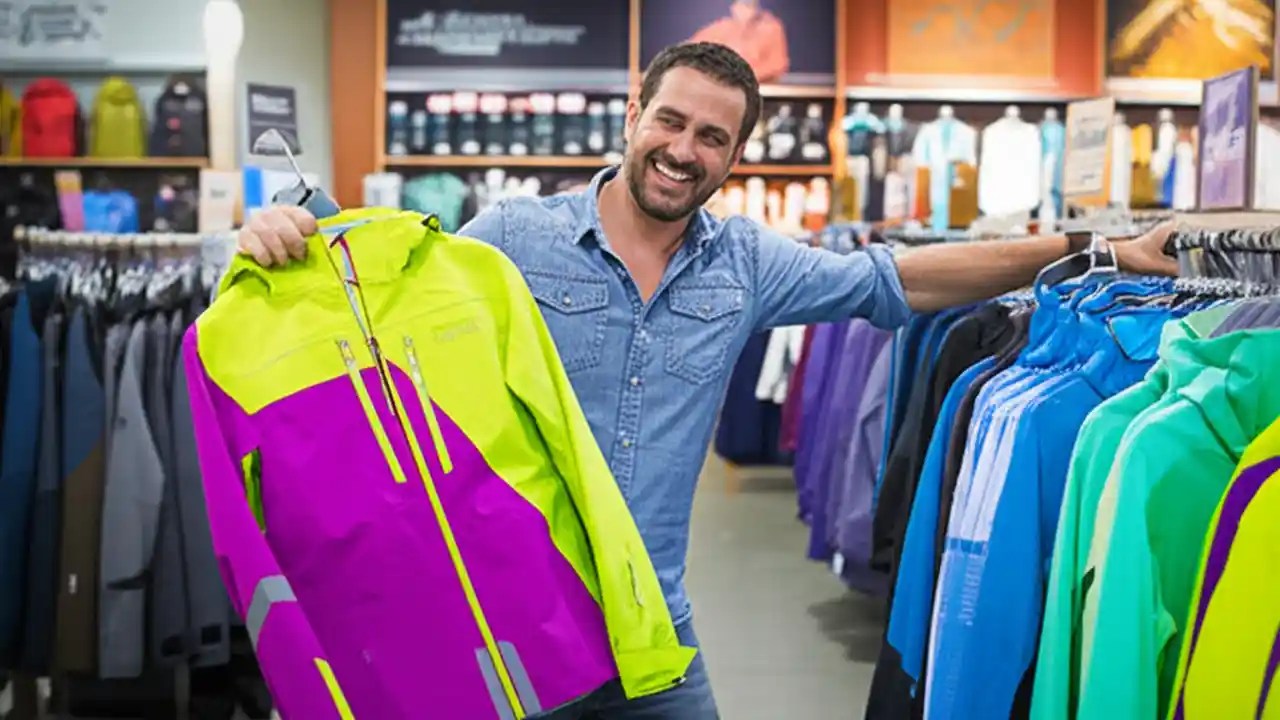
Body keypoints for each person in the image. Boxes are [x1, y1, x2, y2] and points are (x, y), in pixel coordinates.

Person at [236, 42, 1177, 719]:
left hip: (654, 636)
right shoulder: (510, 238)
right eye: (672, 121)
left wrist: (1095, 249)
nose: (685, 150)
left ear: (735, 158)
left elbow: (898, 280)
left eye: (714, 138)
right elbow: (368, 317)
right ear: (634, 116)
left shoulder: (747, 266)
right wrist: (281, 245)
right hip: (520, 620)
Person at [687, 0, 789, 84]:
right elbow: (690, 50)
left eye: (748, 6)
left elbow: (778, 64)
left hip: (760, 95)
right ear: (734, 7)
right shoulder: (720, 29)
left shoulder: (771, 28)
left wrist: (744, 76)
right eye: (742, 5)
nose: (745, 11)